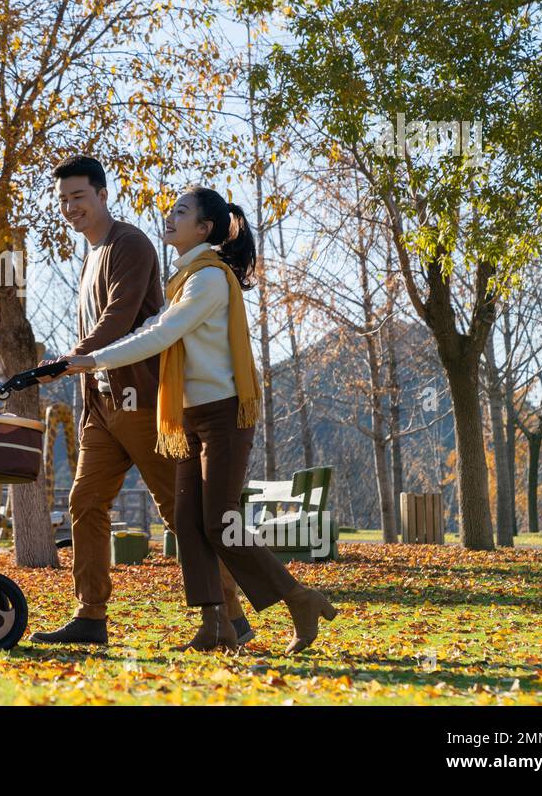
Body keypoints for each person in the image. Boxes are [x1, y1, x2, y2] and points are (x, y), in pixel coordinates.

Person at [60, 186, 338, 653]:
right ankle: (217, 626)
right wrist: (98, 358)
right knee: (189, 522)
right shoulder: (186, 279)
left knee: (219, 522)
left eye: (181, 213)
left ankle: (298, 597)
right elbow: (153, 327)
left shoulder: (209, 279)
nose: (170, 217)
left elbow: (164, 333)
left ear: (204, 229)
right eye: (171, 211)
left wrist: (93, 360)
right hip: (188, 416)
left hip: (224, 416)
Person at [30, 157, 252, 646]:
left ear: (103, 195)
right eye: (64, 199)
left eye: (79, 197)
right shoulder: (90, 255)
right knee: (84, 503)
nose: (70, 207)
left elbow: (120, 318)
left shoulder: (129, 243)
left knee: (178, 511)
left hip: (142, 401)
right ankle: (90, 615)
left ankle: (230, 616)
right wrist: (83, 378)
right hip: (101, 406)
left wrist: (73, 359)